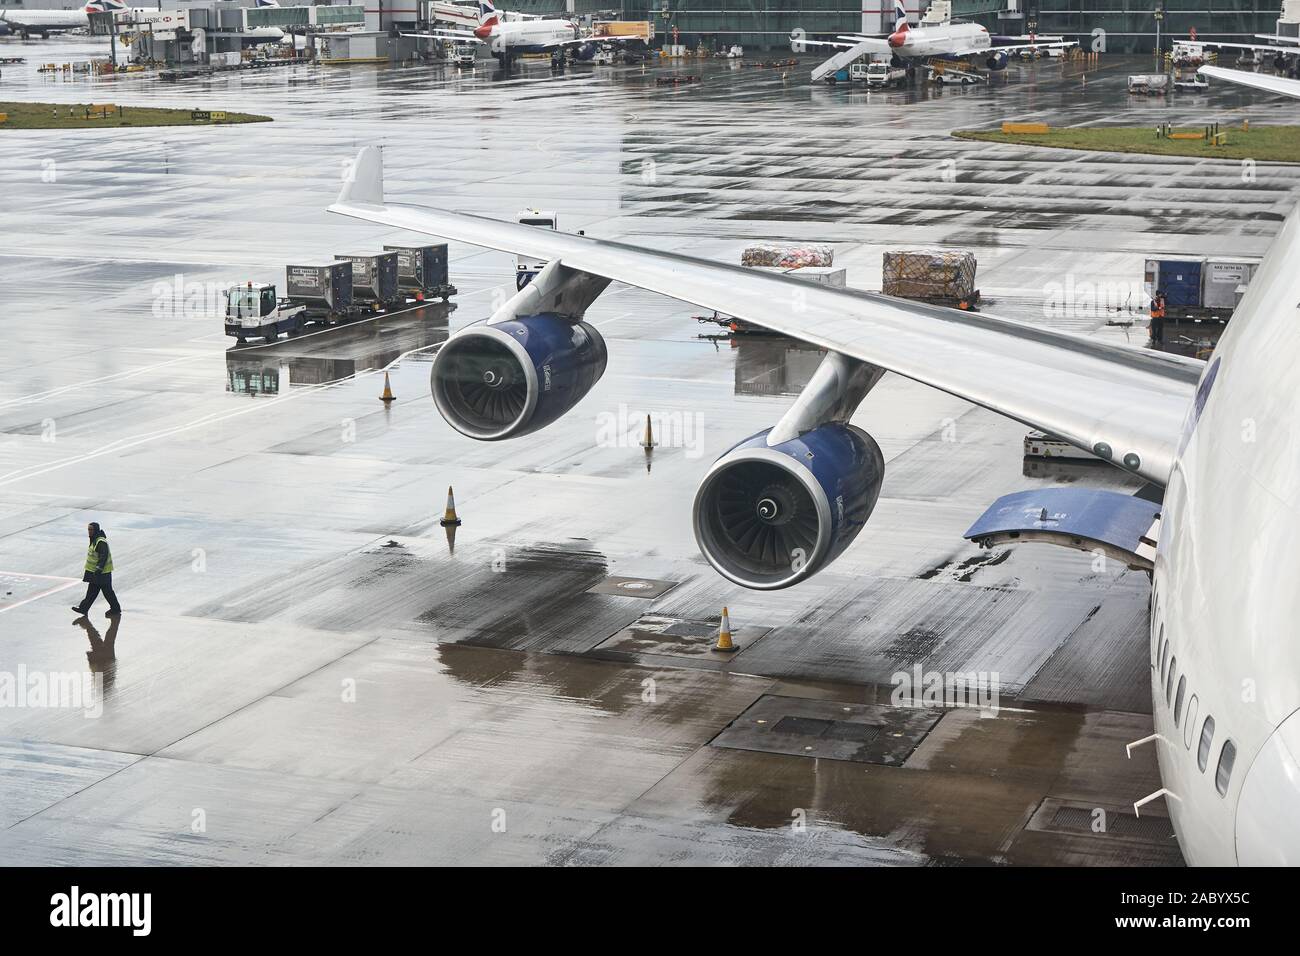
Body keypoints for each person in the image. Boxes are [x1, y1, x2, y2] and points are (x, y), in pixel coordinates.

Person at [72, 521, 121, 618]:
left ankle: (115, 609)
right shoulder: (95, 539)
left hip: (103, 573)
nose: (89, 532)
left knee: (107, 592)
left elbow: (104, 556)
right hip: (97, 573)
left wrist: (99, 568)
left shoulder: (100, 541)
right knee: (92, 591)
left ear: (96, 530)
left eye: (91, 530)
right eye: (88, 530)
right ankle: (83, 608)